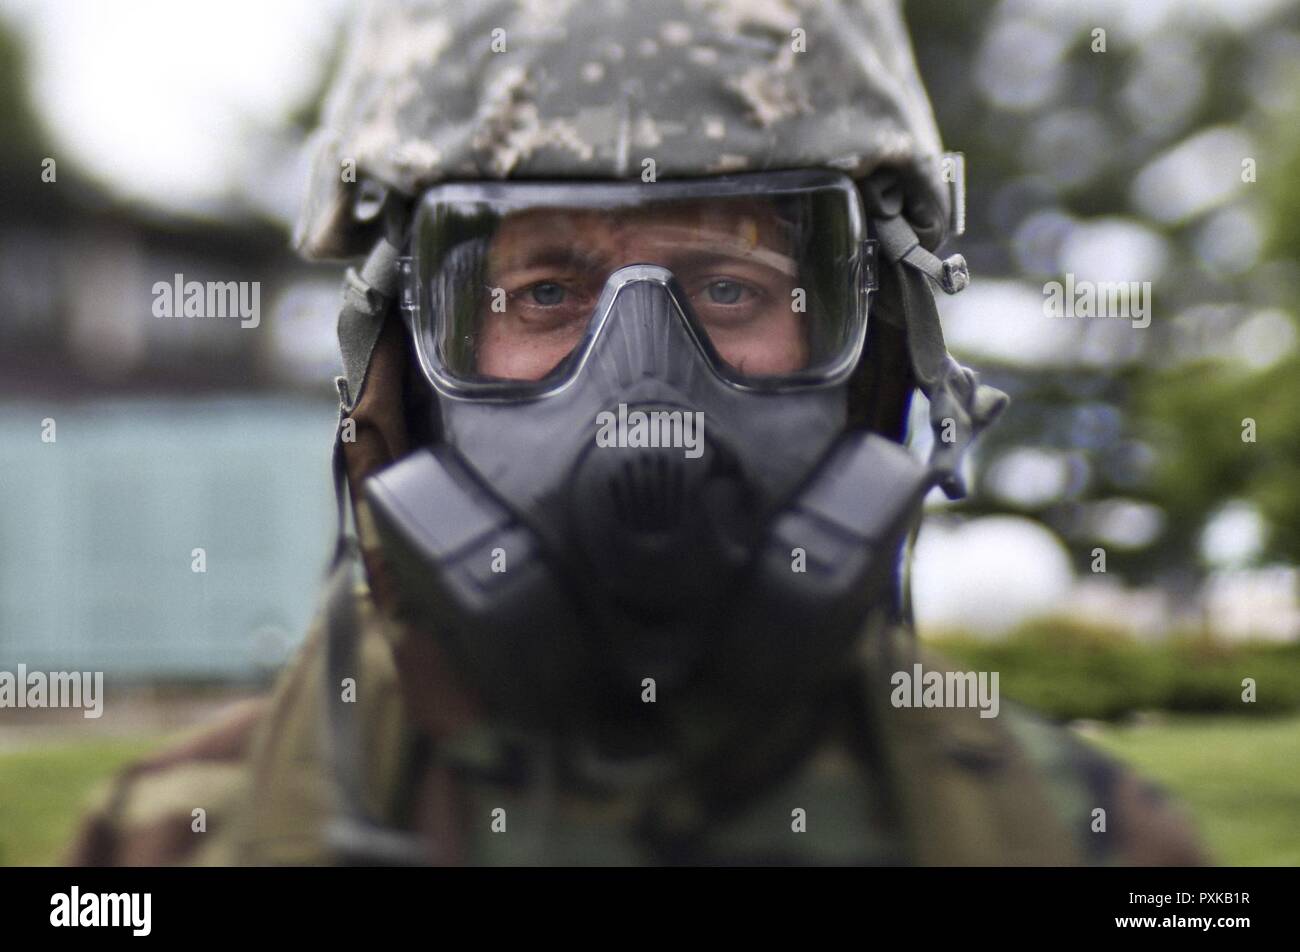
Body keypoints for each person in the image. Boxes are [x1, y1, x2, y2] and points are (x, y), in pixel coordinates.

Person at [70, 0, 1204, 866]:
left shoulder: (1080, 842)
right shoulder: (169, 845)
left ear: (876, 364)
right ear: (394, 376)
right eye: (545, 292)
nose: (641, 395)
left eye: (727, 289)